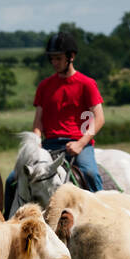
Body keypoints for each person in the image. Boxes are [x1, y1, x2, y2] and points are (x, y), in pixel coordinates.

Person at [32, 32, 105, 192]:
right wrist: (36, 142)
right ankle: (8, 214)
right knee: (13, 179)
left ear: (71, 57)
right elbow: (38, 122)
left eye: (58, 58)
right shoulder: (44, 86)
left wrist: (81, 143)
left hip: (79, 144)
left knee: (90, 173)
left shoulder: (87, 84)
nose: (54, 62)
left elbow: (99, 118)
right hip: (49, 144)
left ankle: (102, 211)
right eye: (52, 58)